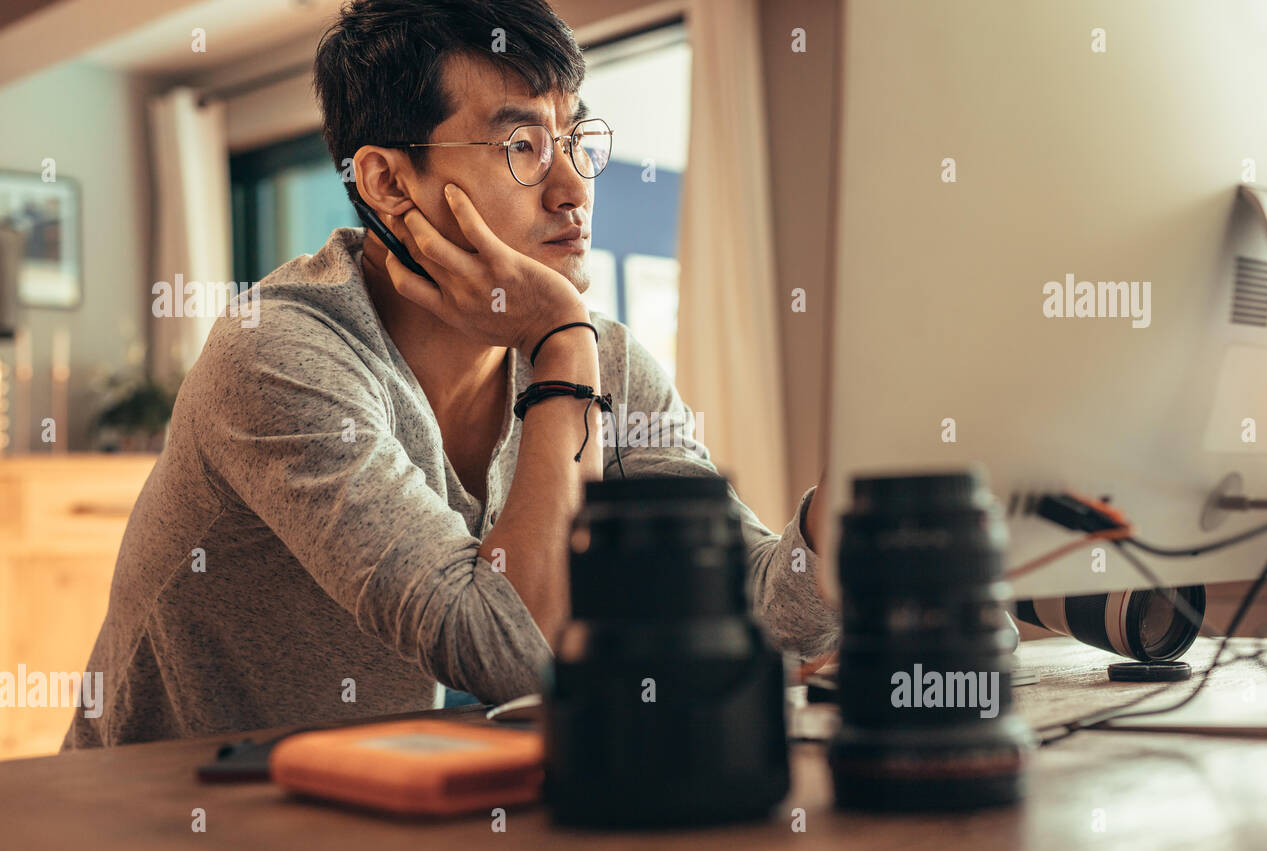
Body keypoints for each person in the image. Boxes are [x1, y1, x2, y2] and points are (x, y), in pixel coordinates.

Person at [64, 0, 837, 749]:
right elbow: (519, 659)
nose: (573, 188)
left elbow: (759, 619)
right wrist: (562, 352)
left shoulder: (597, 351)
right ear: (389, 184)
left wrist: (850, 494)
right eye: (523, 146)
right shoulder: (276, 354)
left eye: (574, 139)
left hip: (404, 808)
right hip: (167, 824)